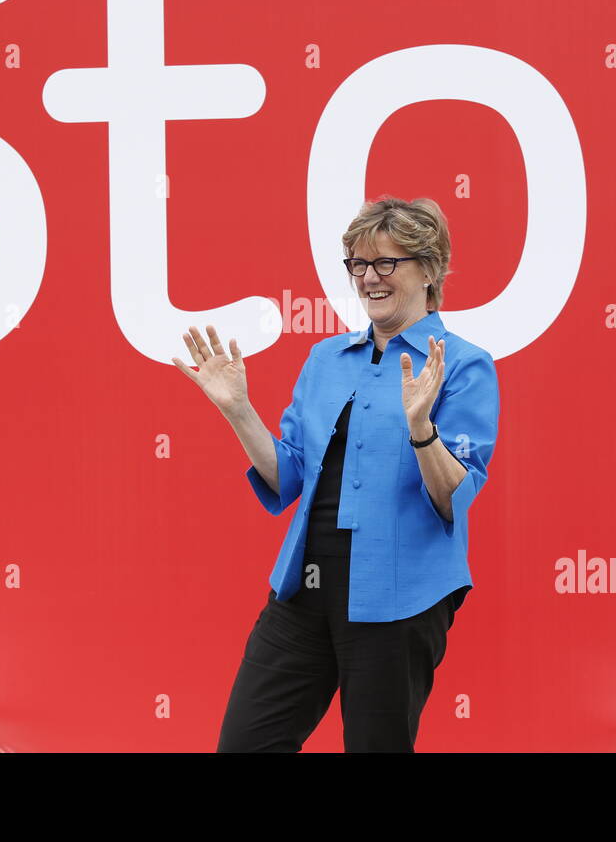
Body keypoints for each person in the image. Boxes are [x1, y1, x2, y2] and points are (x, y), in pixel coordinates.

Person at [172, 195, 500, 752]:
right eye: (359, 265)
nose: (369, 278)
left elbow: (452, 498)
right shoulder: (326, 358)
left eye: (386, 263)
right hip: (306, 590)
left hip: (400, 598)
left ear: (430, 269)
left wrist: (421, 426)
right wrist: (237, 409)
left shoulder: (463, 365)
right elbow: (288, 477)